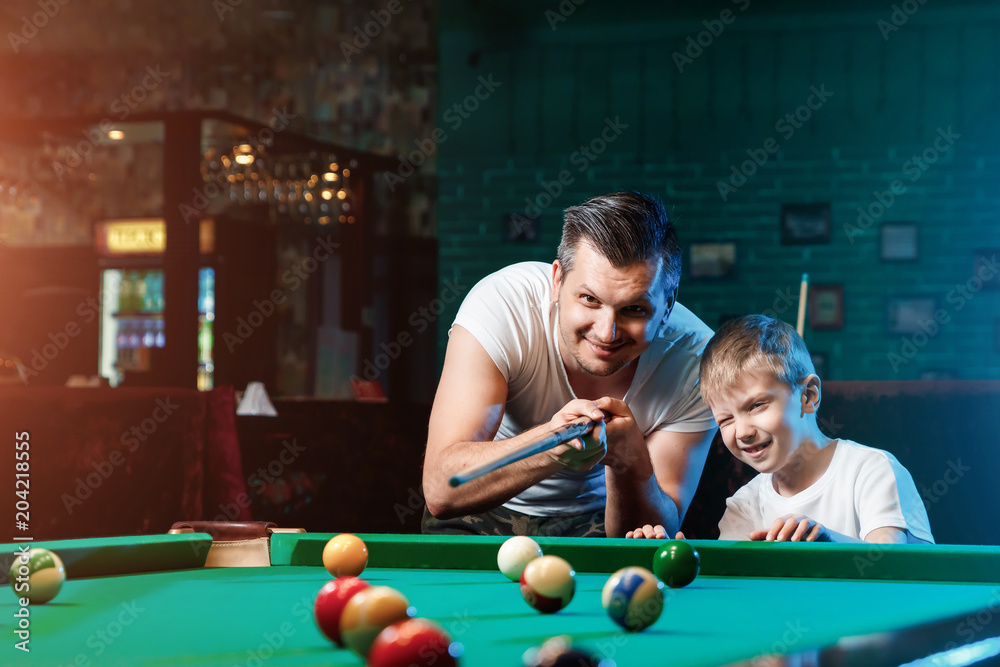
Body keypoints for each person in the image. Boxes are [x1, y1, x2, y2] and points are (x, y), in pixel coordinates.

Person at [421, 191, 718, 538]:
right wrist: (552, 445)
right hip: (480, 509)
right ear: (558, 281)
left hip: (599, 519)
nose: (606, 333)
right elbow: (443, 489)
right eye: (590, 299)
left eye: (634, 309)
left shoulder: (698, 362)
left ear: (668, 304)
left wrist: (628, 462)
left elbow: (656, 529)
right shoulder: (502, 305)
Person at [626, 315, 934, 543]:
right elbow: (736, 587)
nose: (742, 432)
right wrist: (676, 554)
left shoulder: (871, 470)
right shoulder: (744, 505)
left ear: (808, 396)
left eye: (756, 406)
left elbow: (890, 567)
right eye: (726, 420)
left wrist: (827, 544)